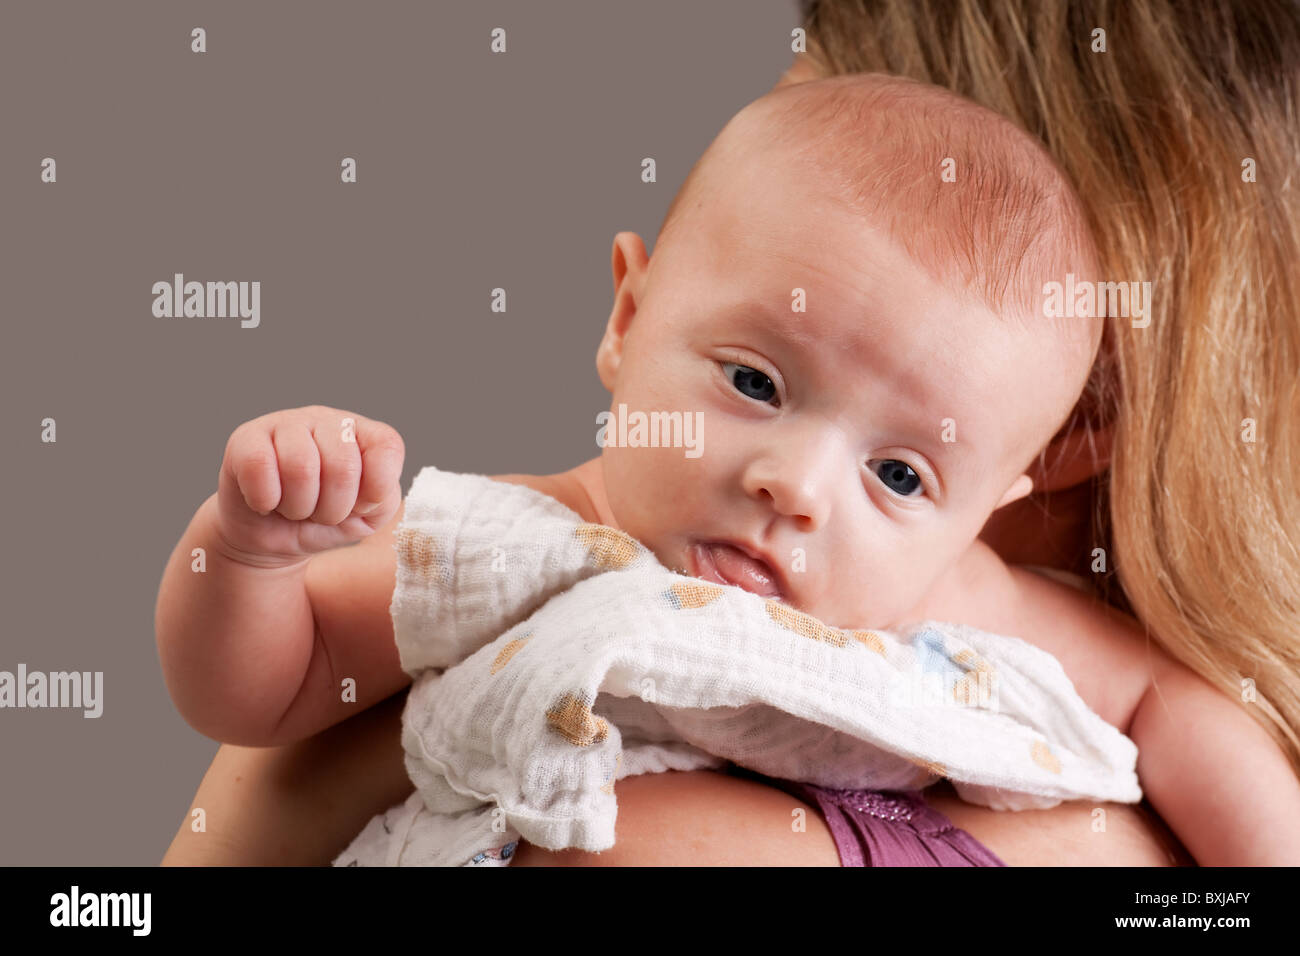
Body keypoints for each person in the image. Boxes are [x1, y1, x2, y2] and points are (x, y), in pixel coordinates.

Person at [161, 0, 1299, 866]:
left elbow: (1163, 702)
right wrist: (247, 550)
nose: (794, 483)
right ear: (626, 316)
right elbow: (270, 686)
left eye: (898, 471)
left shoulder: (955, 600)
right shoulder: (539, 544)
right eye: (755, 380)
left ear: (1013, 481)